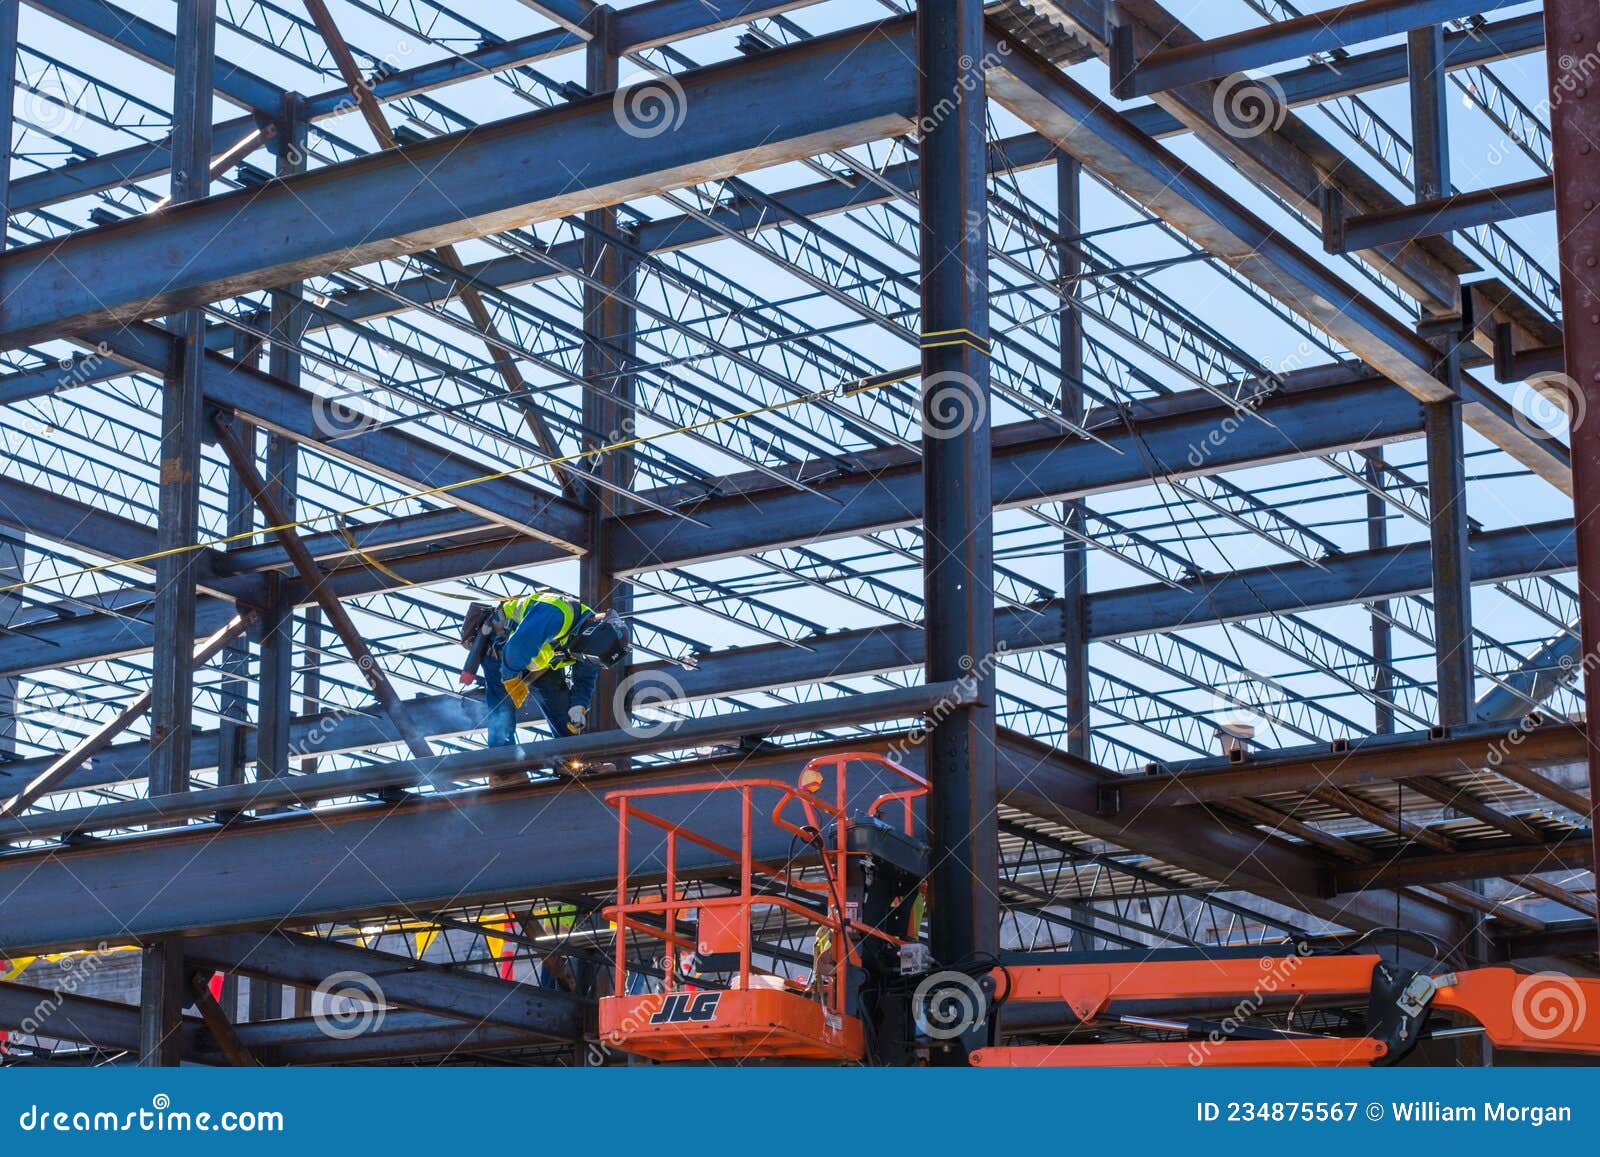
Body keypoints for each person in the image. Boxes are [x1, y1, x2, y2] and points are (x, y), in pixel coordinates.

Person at [459, 590, 629, 754]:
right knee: (502, 707)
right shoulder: (556, 613)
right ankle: (502, 768)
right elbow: (515, 652)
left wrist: (579, 706)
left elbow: (585, 677)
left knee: (563, 709)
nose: (588, 661)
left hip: (540, 660)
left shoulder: (593, 644)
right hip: (503, 644)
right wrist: (510, 681)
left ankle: (570, 761)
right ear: (589, 635)